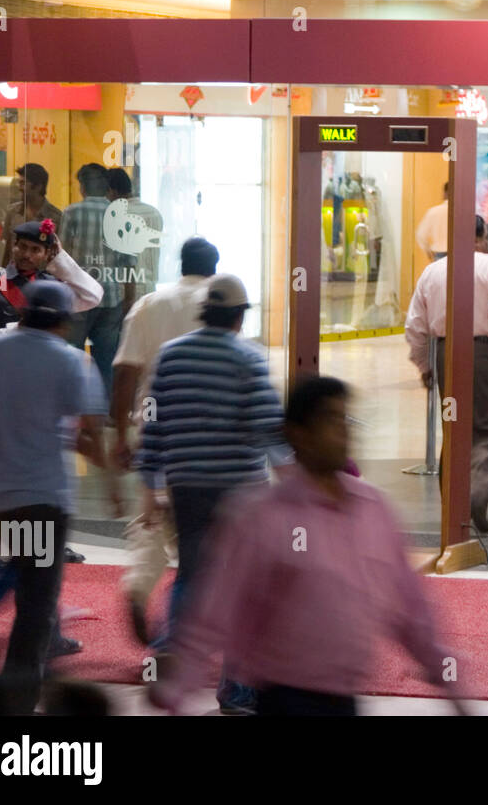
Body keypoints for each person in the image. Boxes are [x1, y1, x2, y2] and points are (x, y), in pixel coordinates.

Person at [148, 376, 467, 716]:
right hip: (285, 700)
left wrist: (449, 680)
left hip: (346, 700)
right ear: (297, 433)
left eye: (346, 419)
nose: (344, 431)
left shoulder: (373, 508)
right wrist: (176, 688)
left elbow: (410, 606)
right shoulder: (261, 515)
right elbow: (215, 611)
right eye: (330, 419)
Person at [0, 281, 109, 713]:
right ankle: (18, 700)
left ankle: (1, 650)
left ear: (25, 315)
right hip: (46, 497)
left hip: (4, 494)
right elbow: (91, 431)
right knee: (36, 602)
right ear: (62, 321)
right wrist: (113, 484)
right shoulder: (72, 361)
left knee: (25, 579)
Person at [136, 273, 285, 714]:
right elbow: (267, 425)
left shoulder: (170, 356)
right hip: (241, 490)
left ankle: (174, 649)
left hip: (186, 485)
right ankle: (236, 691)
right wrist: (296, 478)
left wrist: (150, 487)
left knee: (191, 574)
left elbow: (154, 425)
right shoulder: (248, 357)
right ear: (239, 317)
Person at [110, 237, 220, 645]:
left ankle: (138, 587)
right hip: (207, 438)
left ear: (181, 265)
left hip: (153, 429)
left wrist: (121, 434)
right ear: (214, 267)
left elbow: (125, 371)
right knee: (201, 539)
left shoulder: (150, 305)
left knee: (152, 521)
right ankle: (183, 633)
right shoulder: (220, 304)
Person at [406, 217, 488, 532]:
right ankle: (477, 494)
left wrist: (425, 365)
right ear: (480, 237)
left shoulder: (432, 271)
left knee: (455, 430)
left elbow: (414, 325)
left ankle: (453, 508)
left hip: (446, 355)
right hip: (484, 353)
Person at [0, 219, 103, 352]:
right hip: (4, 367)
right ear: (14, 246)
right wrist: (16, 330)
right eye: (23, 247)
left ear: (47, 254)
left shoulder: (52, 288)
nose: (27, 255)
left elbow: (93, 296)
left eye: (36, 250)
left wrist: (61, 260)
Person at [61, 162, 132, 400]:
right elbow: (128, 263)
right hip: (112, 299)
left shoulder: (72, 212)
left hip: (79, 298)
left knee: (73, 357)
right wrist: (128, 302)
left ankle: (77, 412)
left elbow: (61, 258)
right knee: (106, 360)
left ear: (82, 186)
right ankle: (102, 416)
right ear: (105, 186)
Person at [105, 167, 164, 303]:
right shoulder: (154, 213)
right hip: (150, 291)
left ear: (112, 191)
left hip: (124, 294)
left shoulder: (117, 216)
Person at [0, 163, 63, 266]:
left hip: (42, 278)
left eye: (23, 183)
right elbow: (7, 250)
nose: (19, 187)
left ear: (38, 186)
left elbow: (59, 255)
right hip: (15, 276)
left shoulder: (56, 217)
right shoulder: (13, 212)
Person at [416, 182, 450, 261]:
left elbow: (420, 235)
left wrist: (428, 250)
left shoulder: (433, 212)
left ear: (445, 193)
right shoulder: (461, 212)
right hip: (457, 255)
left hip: (438, 255)